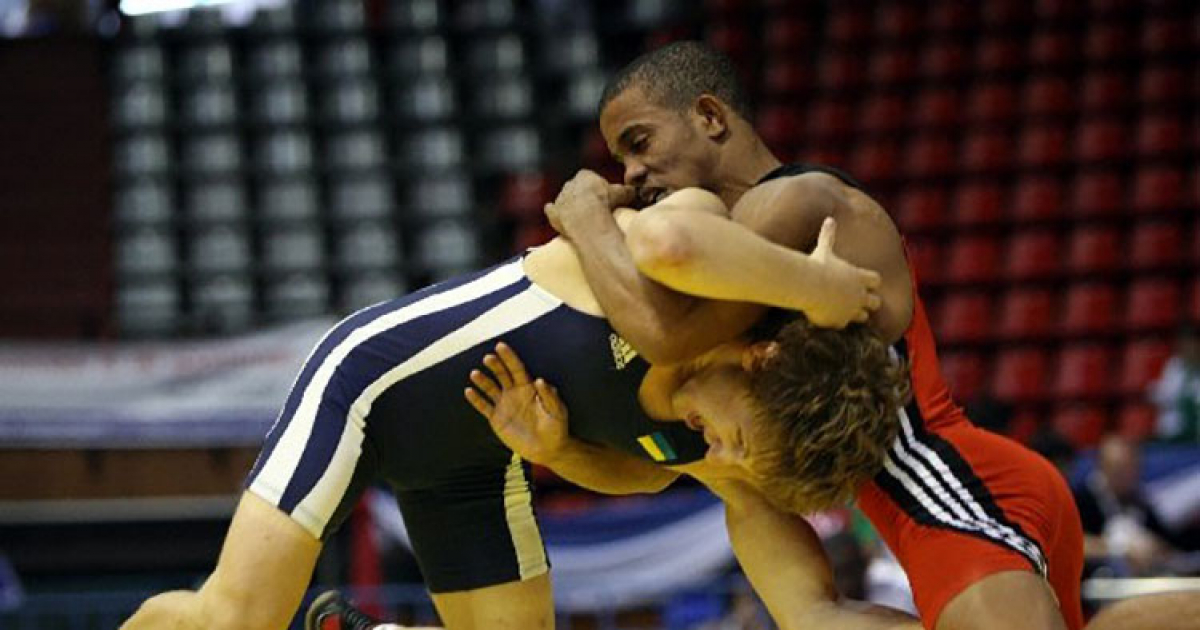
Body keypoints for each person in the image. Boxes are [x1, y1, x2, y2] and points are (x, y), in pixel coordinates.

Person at [121, 186, 917, 630]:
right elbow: (670, 241)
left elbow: (644, 484)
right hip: (369, 388)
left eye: (738, 460)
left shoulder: (722, 438)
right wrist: (815, 286)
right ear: (761, 358)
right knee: (233, 621)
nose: (722, 455)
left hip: (478, 464)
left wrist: (560, 451)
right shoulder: (702, 276)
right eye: (739, 437)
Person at [524, 41, 1085, 630]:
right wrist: (561, 452)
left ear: (710, 117)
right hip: (929, 496)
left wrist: (590, 222)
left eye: (639, 143)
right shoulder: (741, 246)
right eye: (620, 159)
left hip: (947, 486)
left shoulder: (791, 202)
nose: (631, 174)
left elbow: (662, 339)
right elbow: (671, 459)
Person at [1073, 434, 1185, 576]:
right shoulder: (1081, 500)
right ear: (1102, 466)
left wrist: (1155, 548)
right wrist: (1119, 550)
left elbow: (1167, 543)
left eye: (1131, 468)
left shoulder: (1140, 501)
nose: (1126, 475)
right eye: (1118, 469)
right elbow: (1074, 544)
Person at [1151, 325, 1200, 443]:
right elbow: (1162, 394)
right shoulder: (1173, 365)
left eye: (1191, 345)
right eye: (1184, 345)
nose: (1188, 349)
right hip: (1172, 433)